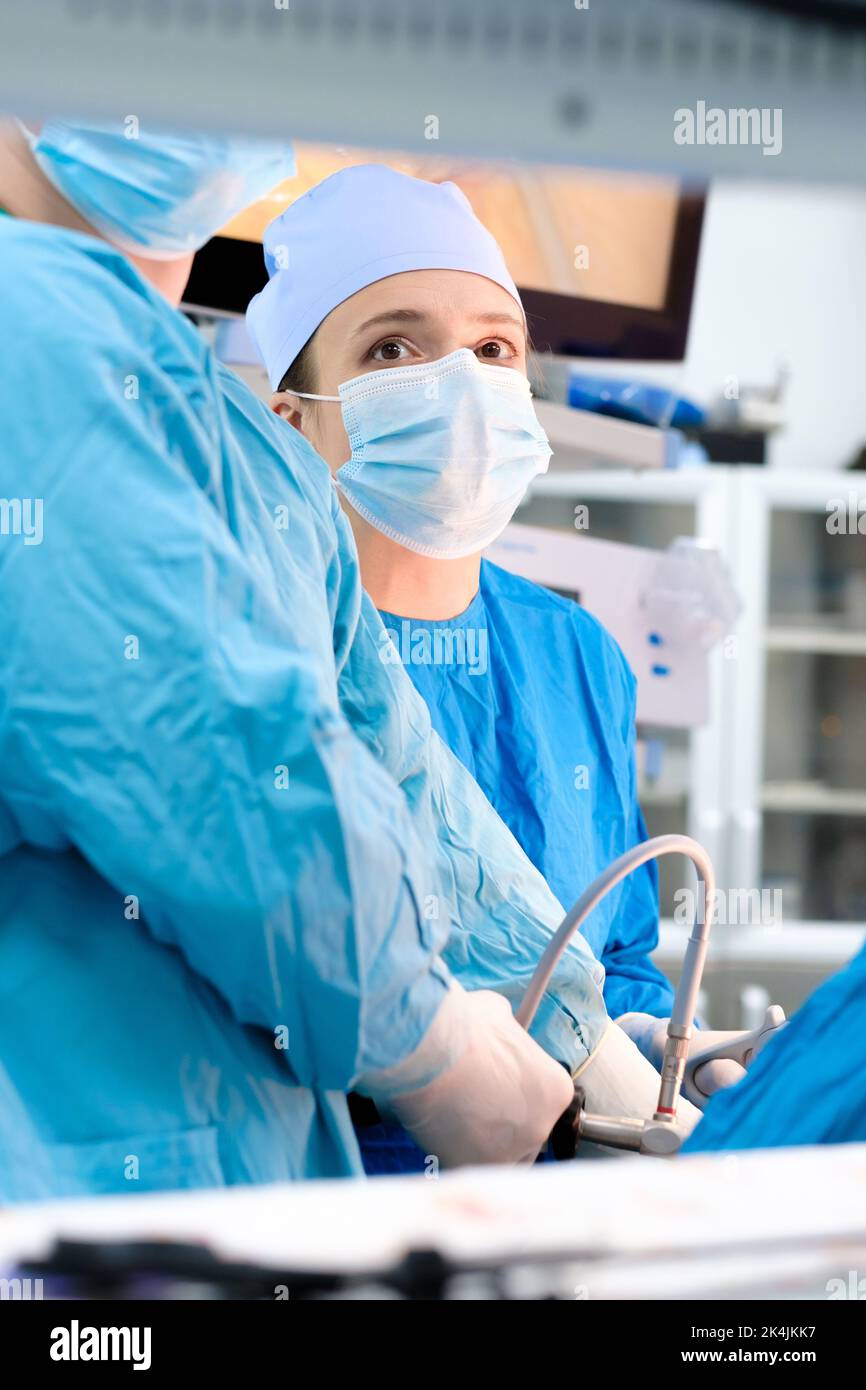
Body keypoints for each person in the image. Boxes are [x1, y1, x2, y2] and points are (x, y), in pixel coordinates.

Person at [0, 120, 678, 1199]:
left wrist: (587, 1046)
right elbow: (206, 754)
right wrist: (425, 1040)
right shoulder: (26, 327)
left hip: (243, 1184)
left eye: (492, 345)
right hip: (67, 1182)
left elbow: (394, 766)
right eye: (394, 348)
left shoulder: (234, 443)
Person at [246, 164, 693, 1171]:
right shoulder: (255, 644)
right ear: (290, 418)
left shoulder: (574, 656)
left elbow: (615, 956)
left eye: (493, 348)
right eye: (394, 347)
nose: (459, 386)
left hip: (564, 1211)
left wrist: (654, 1063)